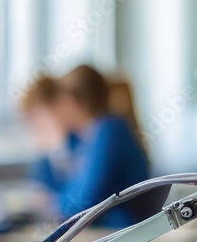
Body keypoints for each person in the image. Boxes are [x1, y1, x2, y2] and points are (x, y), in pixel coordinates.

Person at [20, 65, 153, 229]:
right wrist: (53, 149)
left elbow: (77, 205)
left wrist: (49, 202)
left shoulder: (109, 131)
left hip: (122, 231)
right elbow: (52, 189)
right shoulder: (81, 138)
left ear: (67, 101)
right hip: (101, 232)